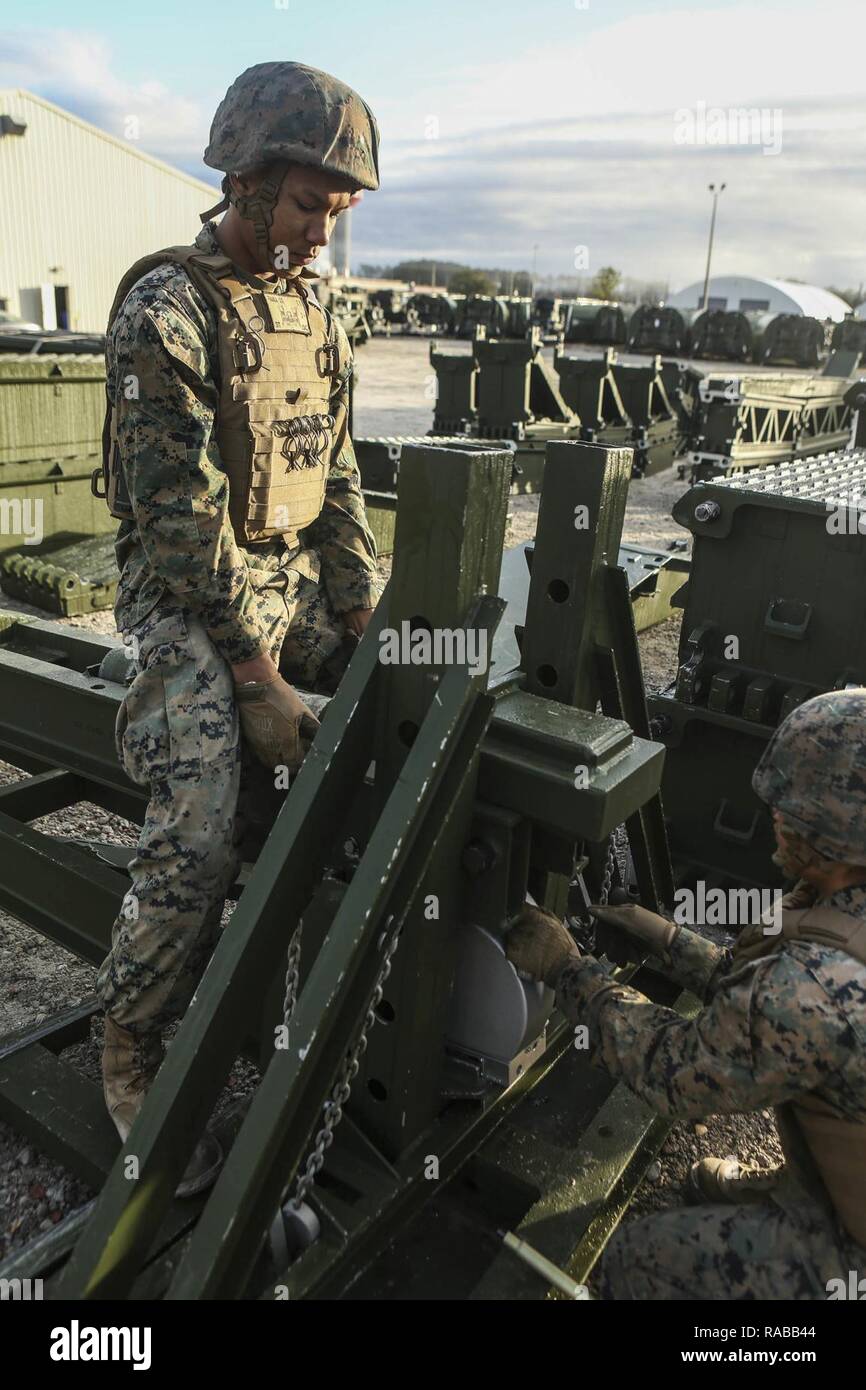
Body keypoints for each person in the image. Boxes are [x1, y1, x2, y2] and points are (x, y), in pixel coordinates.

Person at [94, 62, 382, 1193]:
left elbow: (342, 474)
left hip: (294, 582)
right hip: (186, 597)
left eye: (337, 213)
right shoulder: (163, 309)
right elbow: (178, 518)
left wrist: (362, 622)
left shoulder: (318, 311)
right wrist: (260, 682)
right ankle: (133, 1043)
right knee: (205, 815)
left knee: (417, 701)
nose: (321, 233)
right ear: (247, 181)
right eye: (309, 205)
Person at [506, 689, 866, 1299]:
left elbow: (673, 1070)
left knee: (639, 1261)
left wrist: (568, 968)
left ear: (833, 831)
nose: (774, 812)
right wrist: (665, 935)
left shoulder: (815, 990)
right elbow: (757, 990)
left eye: (791, 804)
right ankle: (806, 1196)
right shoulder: (838, 903)